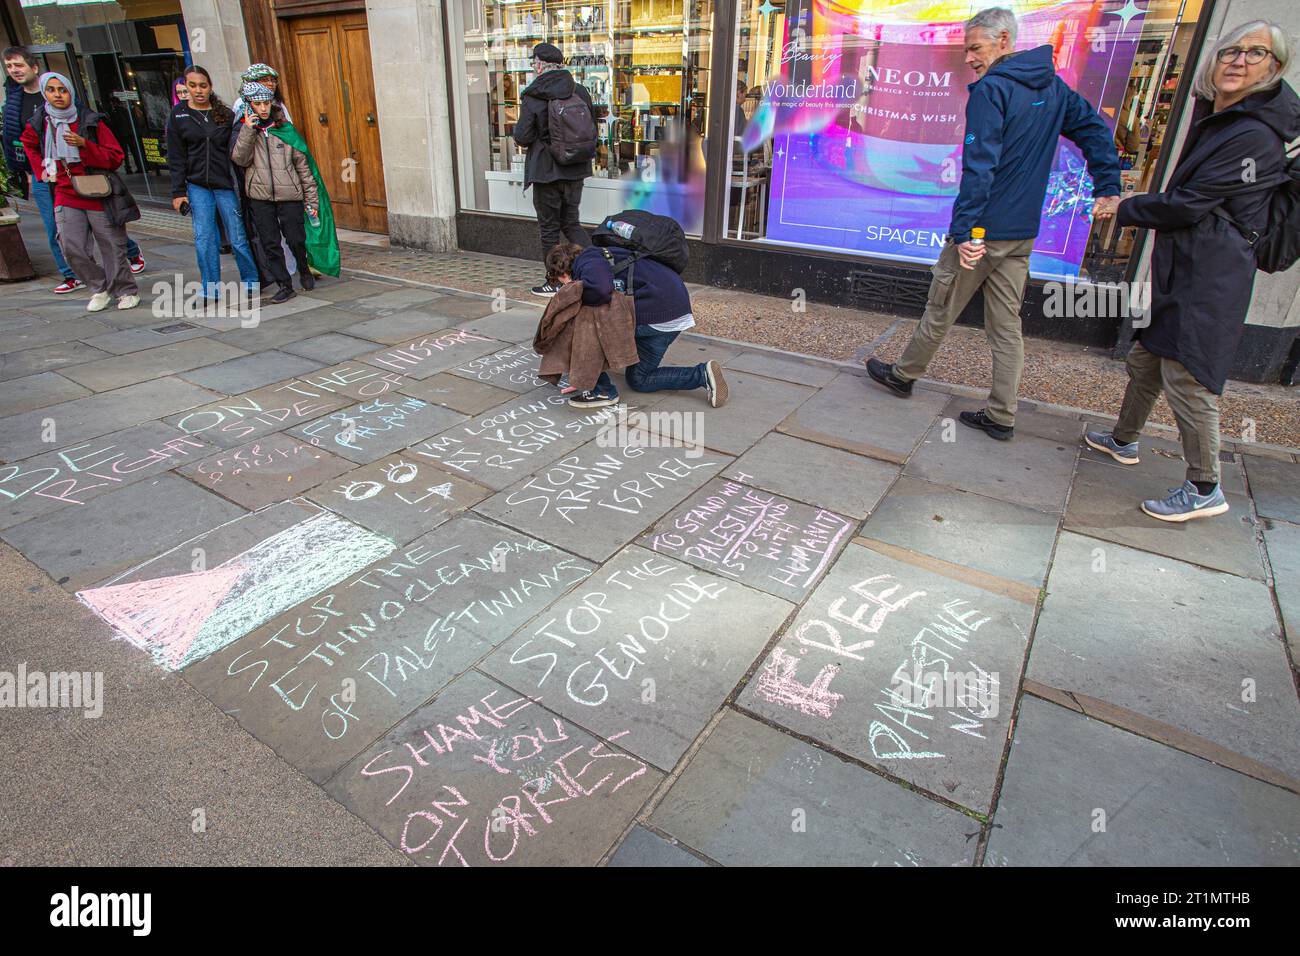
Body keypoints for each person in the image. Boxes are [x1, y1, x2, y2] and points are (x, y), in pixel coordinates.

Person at [865, 7, 1120, 440]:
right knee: (1006, 327)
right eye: (967, 49)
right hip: (1021, 233)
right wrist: (1107, 185)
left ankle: (904, 376)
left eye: (976, 48)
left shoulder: (993, 90)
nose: (969, 58)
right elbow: (1095, 130)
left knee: (942, 305)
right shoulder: (1055, 88)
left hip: (983, 231)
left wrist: (965, 232)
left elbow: (980, 166)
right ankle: (1002, 414)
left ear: (1004, 40)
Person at [1085, 22, 1298, 523]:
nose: (1239, 61)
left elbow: (1187, 205)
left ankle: (1205, 487)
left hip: (1211, 276)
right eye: (1231, 51)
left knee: (1189, 376)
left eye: (1255, 53)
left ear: (1275, 67)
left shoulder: (1252, 133)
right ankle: (1123, 439)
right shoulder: (1225, 117)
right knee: (1147, 357)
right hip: (1188, 266)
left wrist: (1125, 206)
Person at [3, 46, 145, 293]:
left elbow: (114, 157)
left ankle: (123, 288)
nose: (57, 95)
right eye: (51, 90)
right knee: (68, 243)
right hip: (59, 187)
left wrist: (84, 145)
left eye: (61, 90)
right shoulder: (33, 116)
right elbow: (22, 140)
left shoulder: (88, 119)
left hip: (94, 185)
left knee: (110, 242)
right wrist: (37, 170)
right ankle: (96, 285)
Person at [546, 241, 729, 409]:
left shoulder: (587, 262)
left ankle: (601, 391)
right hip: (674, 312)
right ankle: (702, 374)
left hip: (657, 311)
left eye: (559, 282)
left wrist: (583, 372)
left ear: (562, 274)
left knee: (582, 326)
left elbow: (600, 291)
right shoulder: (601, 254)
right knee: (639, 379)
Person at [166, 65, 259, 301]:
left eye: (203, 85)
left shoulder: (224, 115)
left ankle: (251, 279)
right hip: (197, 184)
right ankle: (211, 286)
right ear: (185, 87)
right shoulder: (178, 116)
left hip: (224, 182)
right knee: (205, 237)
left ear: (210, 87)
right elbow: (176, 157)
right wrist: (178, 192)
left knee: (237, 235)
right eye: (193, 85)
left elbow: (238, 147)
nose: (198, 91)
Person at [512, 42, 596, 297]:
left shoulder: (535, 94)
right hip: (575, 169)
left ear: (539, 64)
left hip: (547, 172)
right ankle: (596, 268)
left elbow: (522, 135)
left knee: (549, 229)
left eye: (532, 63)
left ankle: (555, 282)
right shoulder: (579, 90)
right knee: (571, 223)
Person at [231, 82, 320, 303]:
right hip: (260, 197)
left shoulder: (285, 130)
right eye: (258, 103)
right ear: (249, 105)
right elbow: (240, 159)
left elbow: (304, 168)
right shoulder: (245, 130)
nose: (263, 108)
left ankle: (303, 267)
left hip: (289, 194)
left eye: (266, 103)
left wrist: (312, 202)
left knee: (295, 239)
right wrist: (248, 131)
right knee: (270, 243)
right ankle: (284, 284)